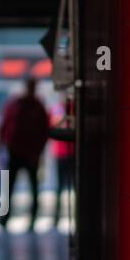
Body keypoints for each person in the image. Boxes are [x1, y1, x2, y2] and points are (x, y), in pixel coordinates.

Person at [0, 77, 51, 230]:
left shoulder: (36, 106)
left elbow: (43, 131)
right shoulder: (17, 104)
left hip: (29, 153)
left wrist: (38, 152)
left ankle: (32, 219)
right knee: (12, 187)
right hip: (16, 152)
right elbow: (5, 125)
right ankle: (6, 218)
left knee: (32, 187)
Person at [50, 96, 75, 230]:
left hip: (73, 154)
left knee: (76, 187)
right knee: (59, 187)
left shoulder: (75, 110)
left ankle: (76, 216)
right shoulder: (56, 110)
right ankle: (57, 217)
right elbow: (51, 127)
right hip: (61, 153)